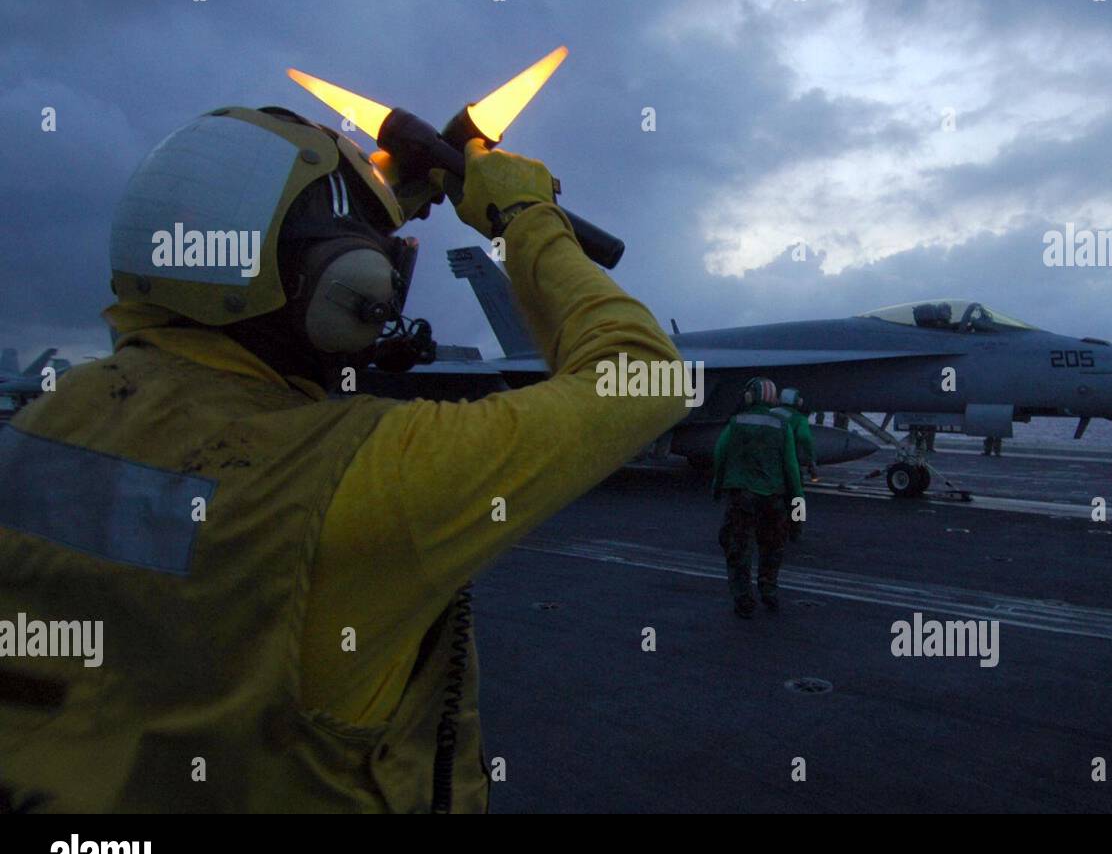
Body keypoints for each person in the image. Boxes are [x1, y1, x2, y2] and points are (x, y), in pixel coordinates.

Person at [0, 106, 684, 813]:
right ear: (342, 283)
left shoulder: (50, 420)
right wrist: (524, 214)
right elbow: (642, 375)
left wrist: (388, 203)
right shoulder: (365, 470)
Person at [712, 377, 804, 617]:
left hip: (742, 498)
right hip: (774, 498)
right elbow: (792, 470)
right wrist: (798, 511)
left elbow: (719, 454)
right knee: (773, 547)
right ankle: (769, 591)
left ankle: (743, 599)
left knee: (738, 548)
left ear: (750, 396)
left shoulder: (736, 422)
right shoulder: (781, 425)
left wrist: (716, 488)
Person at [772, 387, 818, 542]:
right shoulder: (799, 419)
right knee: (797, 497)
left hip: (769, 463)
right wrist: (811, 459)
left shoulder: (770, 413)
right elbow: (805, 437)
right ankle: (796, 529)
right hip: (790, 463)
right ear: (798, 401)